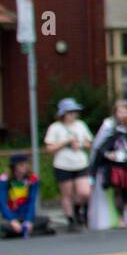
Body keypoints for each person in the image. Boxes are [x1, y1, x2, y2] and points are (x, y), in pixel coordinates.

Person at [91, 99, 127, 228]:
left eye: (125, 111)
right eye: (120, 111)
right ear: (115, 113)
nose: (123, 114)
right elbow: (100, 146)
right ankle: (121, 218)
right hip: (117, 164)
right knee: (119, 191)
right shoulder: (109, 127)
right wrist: (108, 154)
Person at [44, 97, 94, 231]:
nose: (73, 115)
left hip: (80, 163)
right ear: (63, 114)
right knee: (67, 194)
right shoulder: (55, 128)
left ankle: (78, 209)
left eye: (74, 112)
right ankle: (70, 219)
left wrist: (81, 144)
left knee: (84, 192)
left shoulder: (80, 125)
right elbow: (49, 148)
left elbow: (89, 142)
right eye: (70, 112)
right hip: (63, 165)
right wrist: (66, 142)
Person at [0, 153, 52, 239]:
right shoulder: (5, 179)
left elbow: (32, 201)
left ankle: (24, 229)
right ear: (14, 167)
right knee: (6, 227)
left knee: (45, 220)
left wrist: (28, 220)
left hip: (25, 214)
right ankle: (26, 231)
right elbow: (2, 203)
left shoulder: (32, 179)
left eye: (26, 164)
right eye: (21, 165)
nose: (25, 167)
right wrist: (12, 220)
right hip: (12, 214)